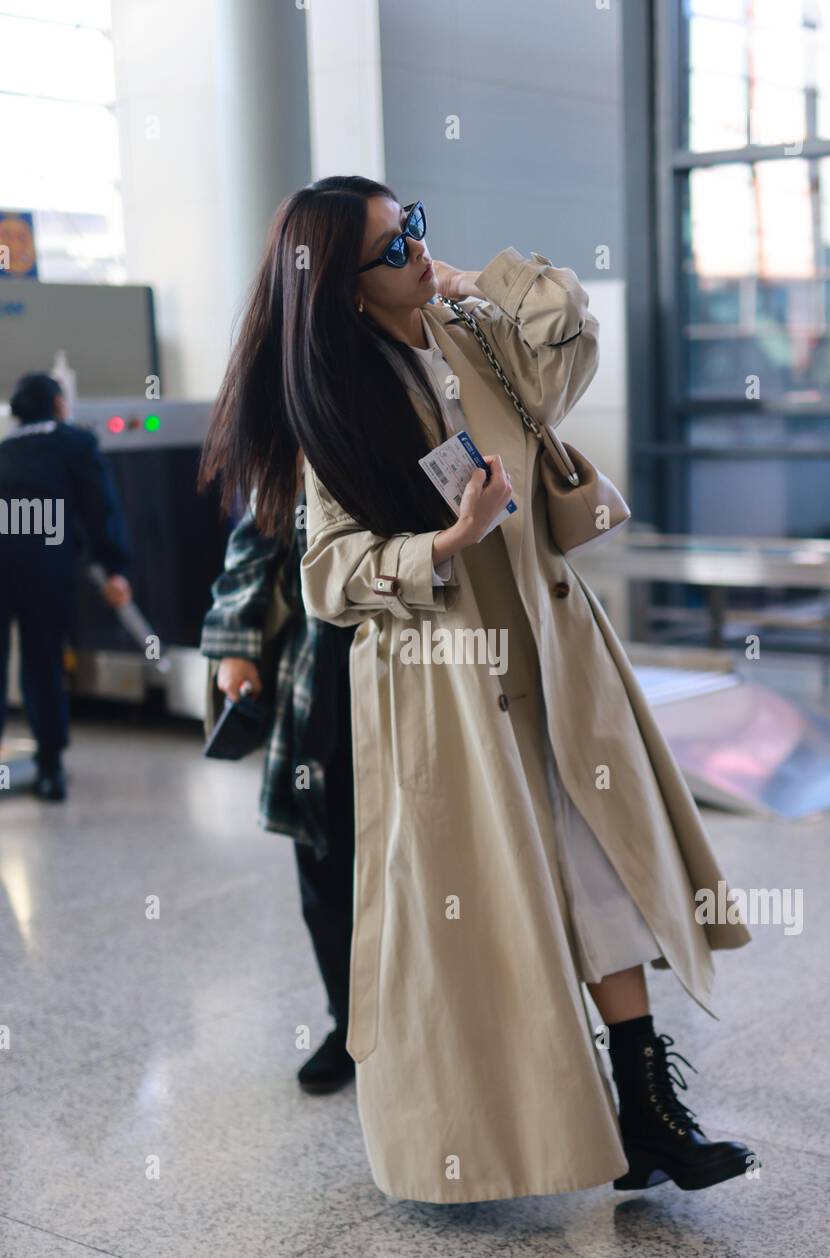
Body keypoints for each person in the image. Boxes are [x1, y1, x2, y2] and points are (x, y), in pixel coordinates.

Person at [200, 175, 755, 1204]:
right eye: (389, 246)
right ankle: (503, 1136)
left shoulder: (471, 332)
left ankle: (647, 1110)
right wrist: (441, 544)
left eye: (413, 220)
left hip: (555, 655)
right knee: (483, 917)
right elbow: (327, 577)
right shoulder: (338, 401)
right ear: (342, 291)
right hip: (446, 692)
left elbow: (570, 330)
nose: (415, 244)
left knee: (599, 862)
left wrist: (471, 275)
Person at [198, 499, 356, 1093]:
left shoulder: (425, 413)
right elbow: (254, 539)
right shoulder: (297, 428)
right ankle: (348, 1025)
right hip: (318, 669)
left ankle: (413, 1027)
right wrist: (236, 645)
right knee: (324, 858)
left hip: (411, 662)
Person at [0, 373, 132, 801]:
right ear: (59, 404)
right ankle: (50, 770)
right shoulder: (75, 442)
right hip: (44, 567)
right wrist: (115, 567)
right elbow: (100, 507)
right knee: (43, 665)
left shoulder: (4, 449)